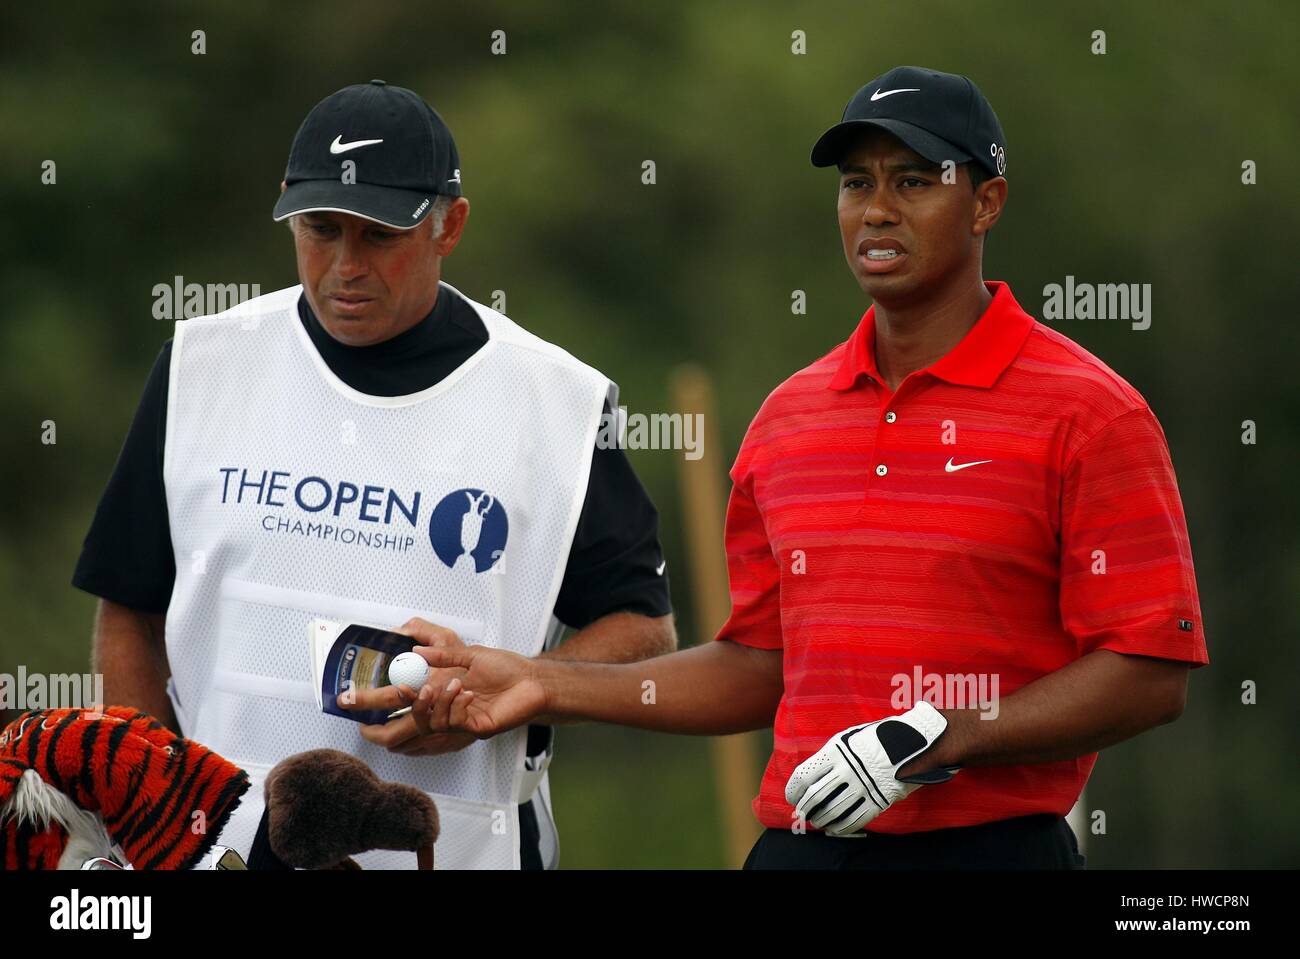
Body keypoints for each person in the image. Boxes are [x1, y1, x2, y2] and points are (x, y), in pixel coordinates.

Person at [347, 66, 1209, 869]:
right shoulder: (790, 418)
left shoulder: (1092, 413)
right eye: (857, 184)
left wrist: (939, 736)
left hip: (994, 850)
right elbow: (757, 668)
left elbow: (1149, 672)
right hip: (803, 846)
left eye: (913, 182)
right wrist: (539, 680)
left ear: (985, 203)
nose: (877, 210)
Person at [72, 80, 675, 870]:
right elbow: (130, 609)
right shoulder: (200, 365)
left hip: (465, 846)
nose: (346, 266)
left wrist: (519, 684)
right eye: (321, 230)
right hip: (219, 843)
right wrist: (145, 820)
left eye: (380, 235)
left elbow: (645, 631)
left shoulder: (556, 402)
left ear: (449, 225)